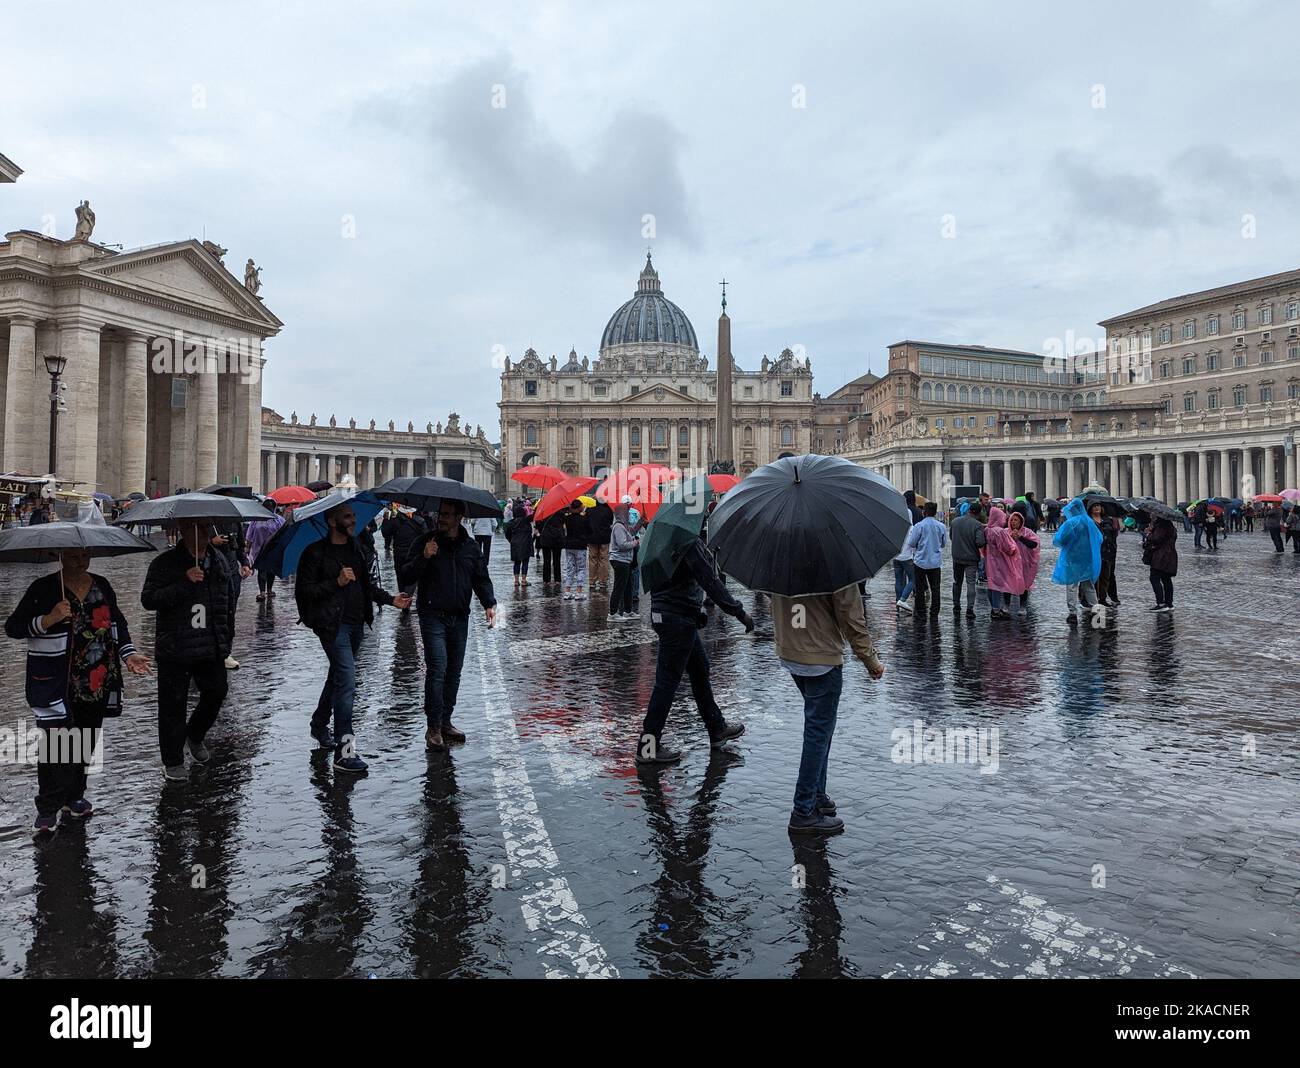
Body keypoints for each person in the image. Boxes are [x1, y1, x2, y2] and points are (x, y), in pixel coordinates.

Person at [6, 550, 151, 835]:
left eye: (84, 555)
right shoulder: (44, 588)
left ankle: (74, 795)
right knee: (57, 744)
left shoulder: (101, 584)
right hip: (56, 680)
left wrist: (129, 654)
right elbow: (13, 627)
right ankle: (48, 806)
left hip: (96, 677)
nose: (79, 560)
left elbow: (116, 624)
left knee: (84, 739)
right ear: (60, 556)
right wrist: (48, 619)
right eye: (72, 555)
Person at [297, 503, 411, 772]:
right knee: (347, 682)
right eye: (347, 517)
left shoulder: (356, 549)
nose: (353, 521)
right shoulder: (314, 553)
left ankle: (318, 723)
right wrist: (335, 583)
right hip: (332, 626)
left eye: (353, 516)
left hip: (356, 624)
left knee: (337, 676)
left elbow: (367, 587)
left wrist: (391, 599)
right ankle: (344, 752)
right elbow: (304, 593)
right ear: (332, 521)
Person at [772, 582, 884, 836]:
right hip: (821, 657)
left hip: (790, 651)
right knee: (818, 733)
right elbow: (851, 616)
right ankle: (803, 811)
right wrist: (870, 659)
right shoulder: (837, 561)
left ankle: (815, 795)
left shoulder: (781, 556)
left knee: (821, 730)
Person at [636, 537, 752, 766]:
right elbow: (711, 582)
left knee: (700, 670)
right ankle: (647, 746)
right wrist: (739, 613)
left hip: (670, 615)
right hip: (678, 619)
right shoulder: (687, 542)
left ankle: (716, 727)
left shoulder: (662, 541)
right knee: (666, 683)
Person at [399, 499, 497, 752]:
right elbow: (406, 576)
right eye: (440, 514)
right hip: (432, 614)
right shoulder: (424, 542)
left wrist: (489, 603)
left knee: (454, 670)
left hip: (460, 615)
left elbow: (480, 576)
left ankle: (445, 721)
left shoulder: (470, 546)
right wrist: (423, 557)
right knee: (437, 668)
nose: (441, 518)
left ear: (459, 518)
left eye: (447, 515)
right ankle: (432, 727)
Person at [141, 521, 233, 781]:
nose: (203, 535)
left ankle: (194, 734)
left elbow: (227, 601)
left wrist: (226, 639)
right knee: (173, 705)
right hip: (176, 645)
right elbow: (149, 599)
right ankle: (172, 760)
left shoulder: (218, 560)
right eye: (197, 530)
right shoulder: (165, 563)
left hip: (210, 643)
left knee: (216, 691)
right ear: (183, 531)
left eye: (206, 529)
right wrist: (184, 582)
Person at [1052, 497, 1102, 625]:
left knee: (1072, 586)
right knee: (1089, 586)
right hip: (1087, 558)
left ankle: (1073, 613)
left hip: (1073, 558)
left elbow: (1060, 539)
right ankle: (1096, 611)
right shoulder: (1089, 522)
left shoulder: (1071, 523)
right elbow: (1099, 539)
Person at [906, 501, 947, 616]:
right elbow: (943, 544)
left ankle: (920, 610)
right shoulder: (941, 526)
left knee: (919, 588)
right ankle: (934, 611)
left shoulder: (919, 526)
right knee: (935, 589)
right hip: (935, 562)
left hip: (920, 561)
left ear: (924, 512)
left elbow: (912, 543)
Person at [981, 506, 1021, 619]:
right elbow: (1008, 547)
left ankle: (994, 608)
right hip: (1000, 561)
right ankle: (996, 609)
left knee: (991, 584)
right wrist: (1014, 546)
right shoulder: (999, 531)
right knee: (998, 585)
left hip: (989, 560)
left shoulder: (987, 530)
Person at [389, 507, 428, 610]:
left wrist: (387, 520)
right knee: (412, 577)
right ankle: (406, 601)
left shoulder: (395, 520)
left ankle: (404, 599)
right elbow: (426, 536)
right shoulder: (420, 521)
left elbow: (386, 533)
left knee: (401, 577)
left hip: (399, 554)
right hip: (413, 554)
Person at [246, 498, 284, 602]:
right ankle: (262, 592)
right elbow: (250, 535)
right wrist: (248, 548)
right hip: (259, 550)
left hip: (273, 549)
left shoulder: (279, 520)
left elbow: (284, 533)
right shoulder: (256, 520)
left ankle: (269, 590)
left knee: (271, 570)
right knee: (261, 570)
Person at [949, 503, 982, 618]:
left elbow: (951, 537)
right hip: (971, 559)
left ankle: (956, 605)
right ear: (978, 513)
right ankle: (969, 609)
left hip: (957, 557)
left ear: (968, 510)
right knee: (970, 583)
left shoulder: (954, 522)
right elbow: (980, 542)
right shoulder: (977, 525)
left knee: (957, 582)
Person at [1005, 510, 1041, 617]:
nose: (1013, 522)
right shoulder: (1006, 532)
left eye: (1015, 520)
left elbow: (1034, 544)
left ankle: (1022, 606)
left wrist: (1020, 538)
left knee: (1023, 585)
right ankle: (1006, 605)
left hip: (1024, 563)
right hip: (1010, 563)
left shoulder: (1027, 532)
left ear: (1021, 522)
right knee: (1008, 584)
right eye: (1011, 520)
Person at [608, 502, 638, 618]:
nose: (628, 514)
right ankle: (613, 613)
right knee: (619, 586)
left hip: (625, 560)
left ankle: (628, 610)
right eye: (626, 512)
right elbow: (622, 544)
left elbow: (632, 532)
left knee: (627, 586)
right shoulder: (619, 527)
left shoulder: (623, 526)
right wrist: (635, 543)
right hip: (619, 560)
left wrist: (641, 522)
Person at [1143, 517, 1178, 613]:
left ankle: (1161, 603)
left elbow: (1156, 538)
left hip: (1161, 556)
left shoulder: (1161, 525)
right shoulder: (1169, 524)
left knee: (1154, 578)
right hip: (1169, 555)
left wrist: (1148, 534)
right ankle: (1169, 603)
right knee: (1166, 579)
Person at [1091, 503, 1120, 606]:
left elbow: (1113, 535)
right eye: (1094, 506)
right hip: (1094, 551)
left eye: (1098, 505)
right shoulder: (1089, 521)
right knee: (1093, 576)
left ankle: (1102, 598)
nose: (1096, 508)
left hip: (1107, 552)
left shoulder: (1108, 520)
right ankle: (1090, 599)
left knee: (1105, 576)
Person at [562, 500, 590, 600]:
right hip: (580, 546)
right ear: (579, 508)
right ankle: (578, 592)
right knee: (581, 569)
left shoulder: (567, 519)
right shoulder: (584, 519)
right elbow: (589, 531)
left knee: (570, 568)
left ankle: (567, 591)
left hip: (569, 545)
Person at [585, 501, 614, 592]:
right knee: (604, 559)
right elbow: (610, 522)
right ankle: (603, 581)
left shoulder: (589, 510)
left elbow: (586, 523)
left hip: (592, 537)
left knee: (592, 559)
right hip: (604, 538)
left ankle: (592, 581)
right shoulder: (608, 511)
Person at [504, 503, 534, 586]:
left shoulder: (510, 523)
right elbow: (534, 516)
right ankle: (524, 580)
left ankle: (516, 581)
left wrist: (511, 540)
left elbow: (507, 534)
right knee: (525, 561)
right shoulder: (526, 520)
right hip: (526, 543)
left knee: (516, 562)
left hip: (515, 544)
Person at [892, 516, 915, 613]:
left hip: (896, 557)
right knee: (913, 580)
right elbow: (913, 543)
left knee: (898, 579)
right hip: (907, 557)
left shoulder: (895, 526)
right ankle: (903, 599)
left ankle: (898, 600)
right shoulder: (912, 528)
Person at [538, 507, 566, 586]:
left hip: (546, 538)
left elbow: (539, 525)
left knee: (546, 560)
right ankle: (557, 579)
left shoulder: (543, 512)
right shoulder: (561, 512)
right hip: (557, 538)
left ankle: (546, 580)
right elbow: (563, 523)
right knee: (557, 560)